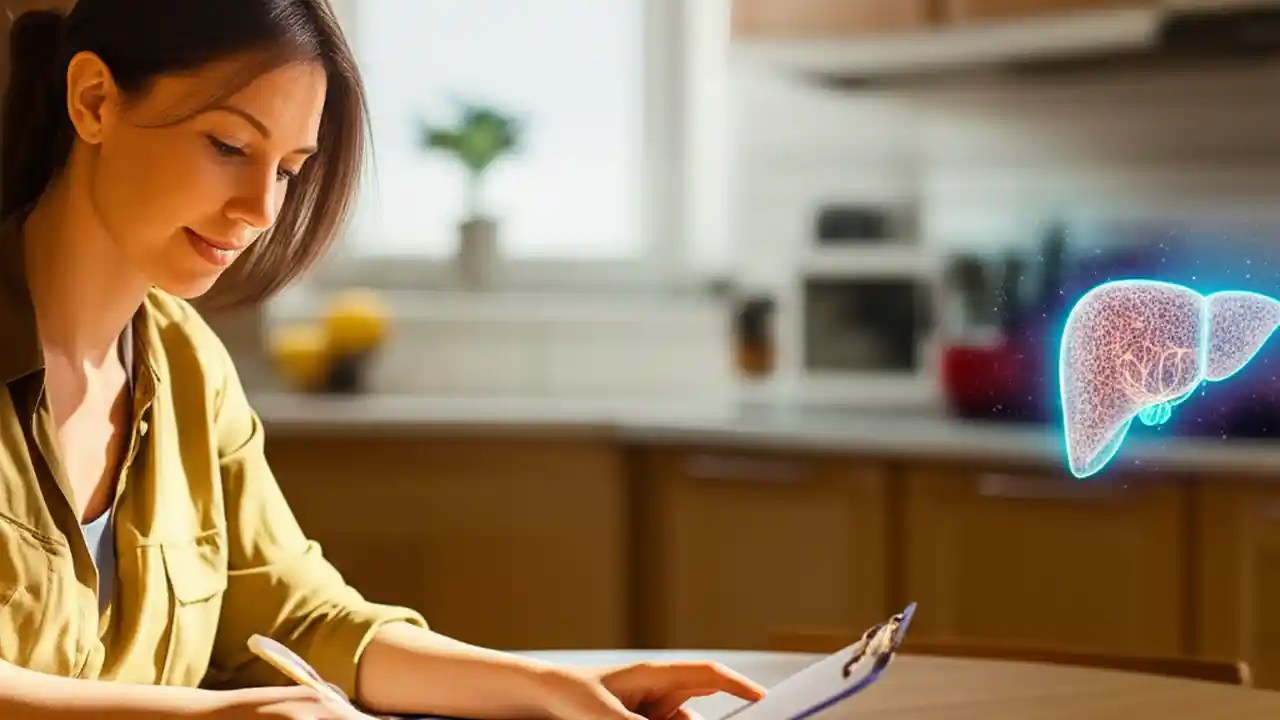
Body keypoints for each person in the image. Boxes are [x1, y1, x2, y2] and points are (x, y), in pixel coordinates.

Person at [0, 2, 768, 718]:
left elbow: (303, 619)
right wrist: (217, 714)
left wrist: (552, 690)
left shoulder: (187, 367)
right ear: (95, 99)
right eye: (229, 146)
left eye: (288, 168)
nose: (262, 210)